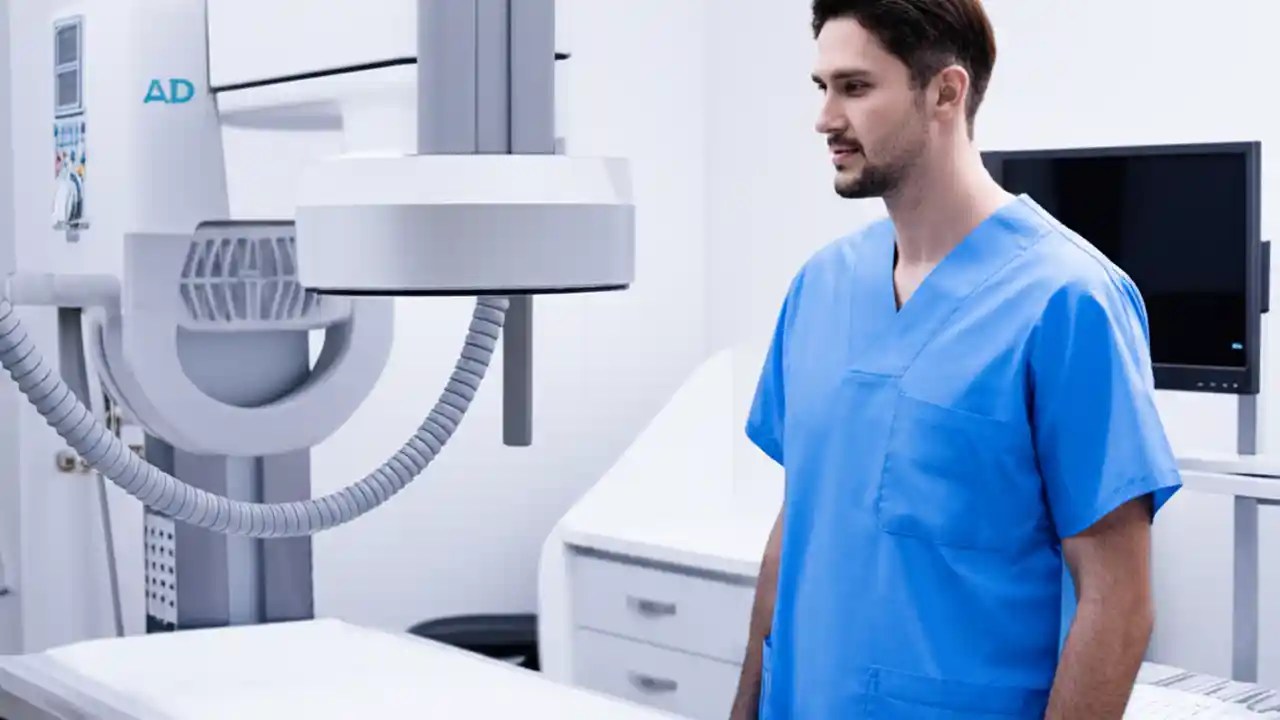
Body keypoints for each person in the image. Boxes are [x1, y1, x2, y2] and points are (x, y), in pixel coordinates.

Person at [727, 1, 1183, 718]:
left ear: (946, 91)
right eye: (823, 88)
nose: (825, 118)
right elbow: (799, 520)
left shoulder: (1067, 301)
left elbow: (1118, 601)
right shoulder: (820, 286)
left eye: (855, 87)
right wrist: (745, 705)